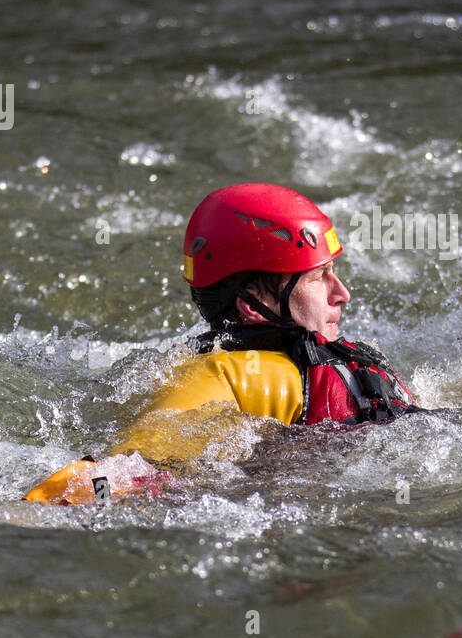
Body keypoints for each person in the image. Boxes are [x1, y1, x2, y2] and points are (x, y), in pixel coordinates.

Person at [23, 183, 417, 504]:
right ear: (252, 304)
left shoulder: (355, 363)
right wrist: (33, 513)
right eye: (318, 278)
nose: (342, 294)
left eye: (334, 273)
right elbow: (123, 470)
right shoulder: (218, 377)